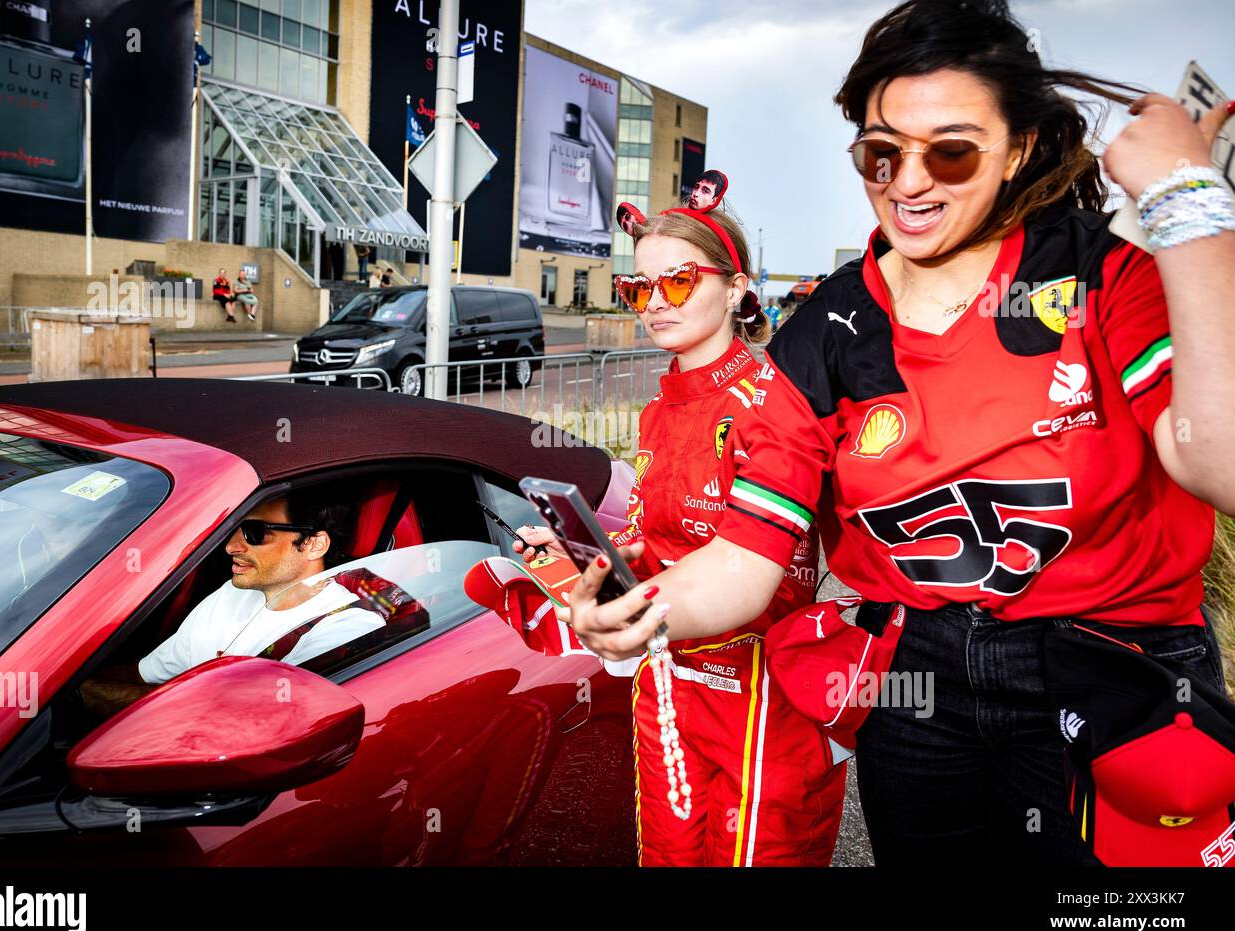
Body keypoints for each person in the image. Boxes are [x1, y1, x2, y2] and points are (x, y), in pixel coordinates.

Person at [554, 0, 1235, 867]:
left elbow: (1220, 460)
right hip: (917, 672)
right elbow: (745, 558)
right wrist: (645, 614)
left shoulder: (1102, 275)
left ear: (1019, 148)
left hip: (1115, 664)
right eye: (881, 152)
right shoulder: (827, 330)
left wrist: (1187, 203)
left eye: (950, 149)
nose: (908, 182)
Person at [499, 191, 847, 866]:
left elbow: (759, 572)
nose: (656, 300)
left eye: (679, 279)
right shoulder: (662, 406)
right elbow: (654, 539)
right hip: (666, 686)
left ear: (737, 284)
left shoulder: (775, 401)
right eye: (637, 286)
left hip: (762, 698)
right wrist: (589, 561)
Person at [79, 493, 383, 718]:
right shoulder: (233, 594)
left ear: (314, 544)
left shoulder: (346, 626)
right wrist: (73, 685)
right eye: (235, 530)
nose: (230, 547)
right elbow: (148, 673)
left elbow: (238, 722)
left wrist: (91, 693)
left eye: (255, 533)